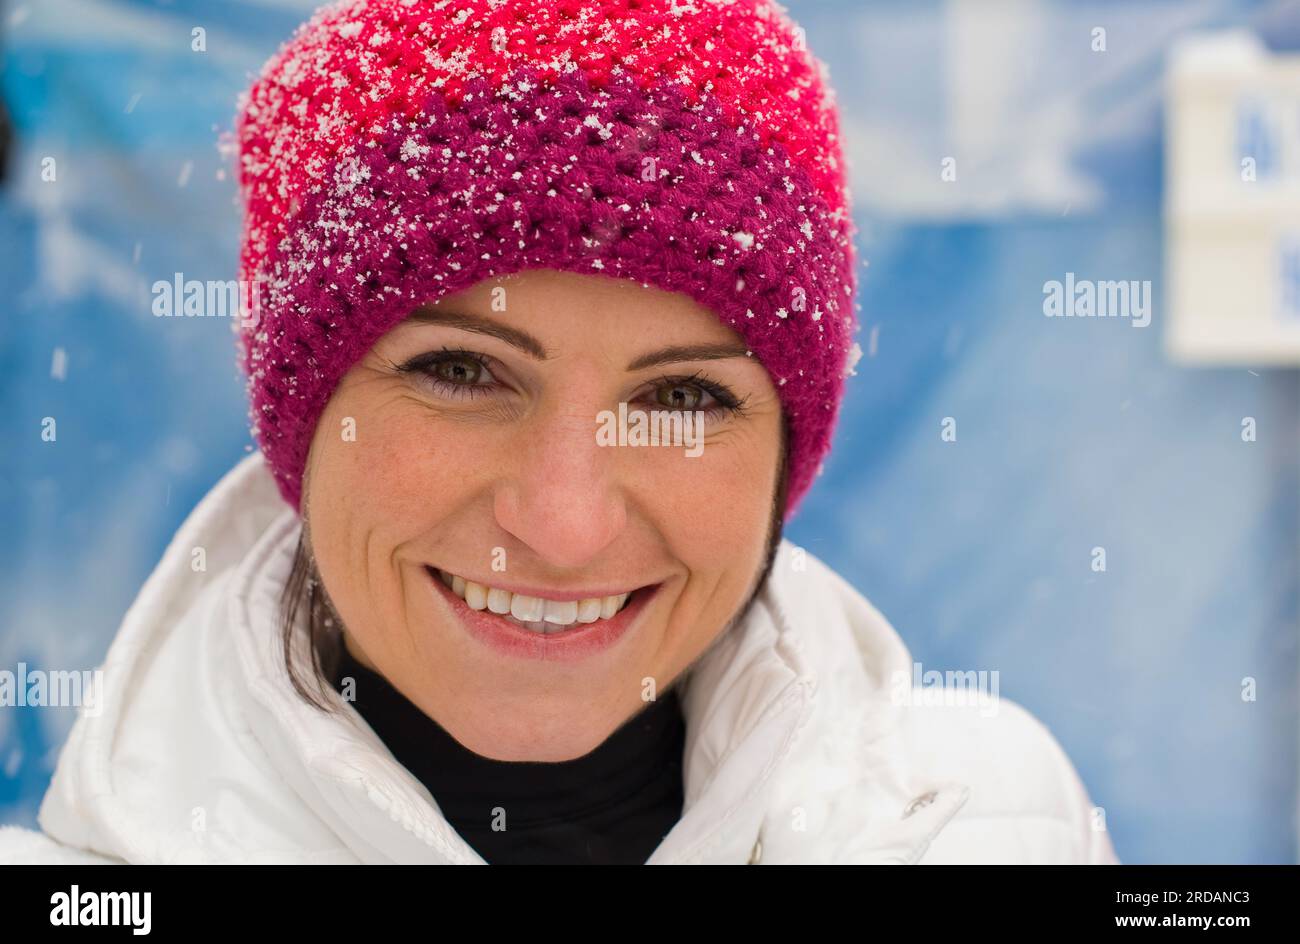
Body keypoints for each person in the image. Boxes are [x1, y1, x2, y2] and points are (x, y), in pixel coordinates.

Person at [0, 0, 1118, 864]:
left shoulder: (992, 823)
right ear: (305, 415)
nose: (564, 524)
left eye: (682, 398)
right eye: (458, 371)